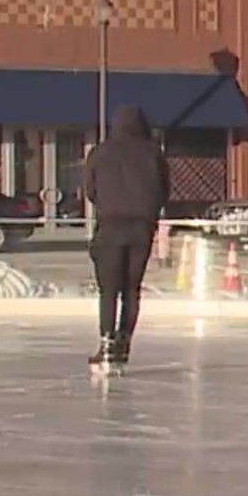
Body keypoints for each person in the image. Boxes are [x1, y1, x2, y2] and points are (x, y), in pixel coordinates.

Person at [81, 106, 170, 369]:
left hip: (110, 225)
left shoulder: (100, 153)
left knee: (109, 290)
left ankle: (107, 342)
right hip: (141, 228)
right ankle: (124, 341)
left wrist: (108, 203)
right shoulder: (154, 154)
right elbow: (164, 191)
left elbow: (90, 189)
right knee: (132, 289)